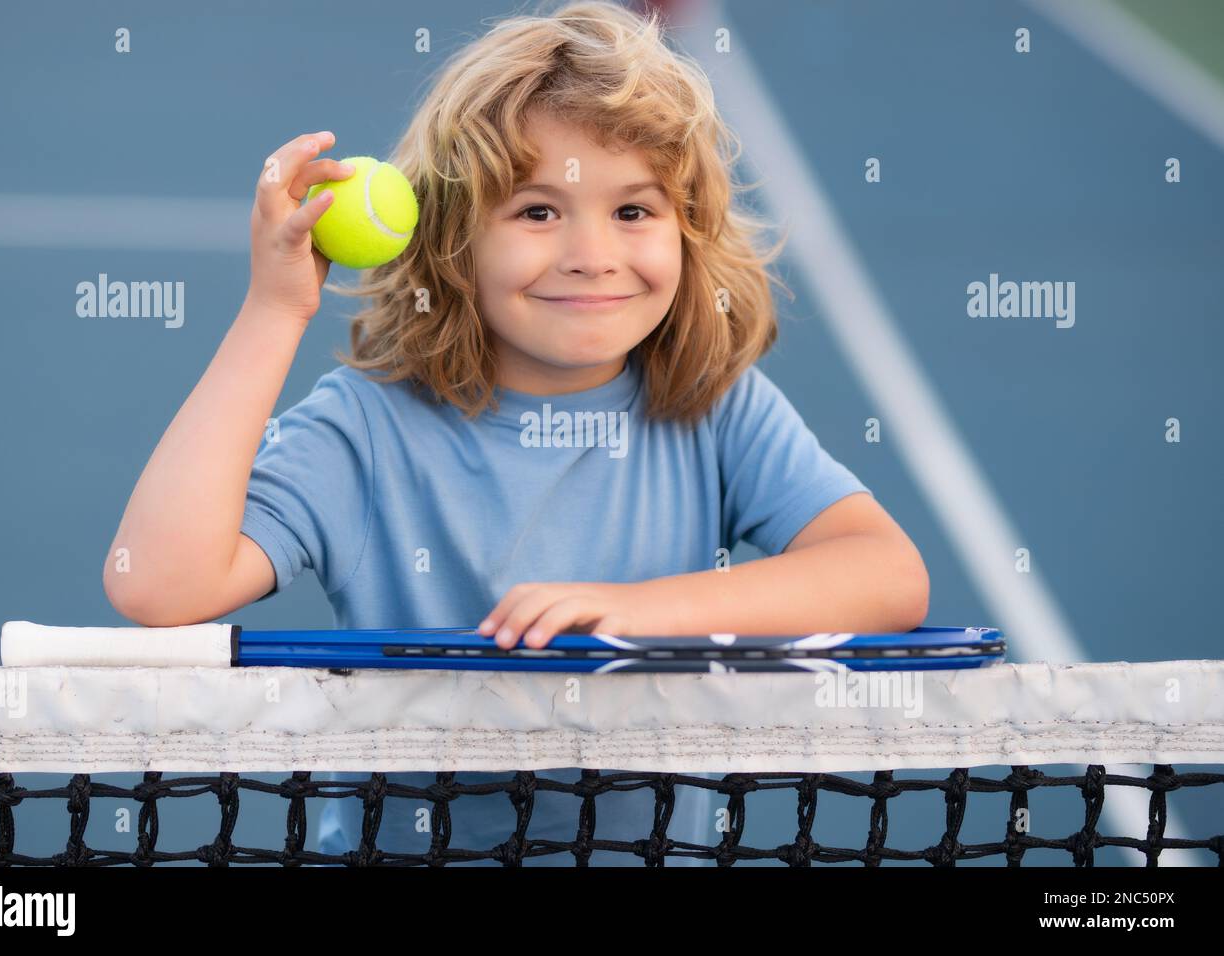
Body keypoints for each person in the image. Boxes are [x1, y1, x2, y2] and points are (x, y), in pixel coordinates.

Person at [103, 0, 928, 866]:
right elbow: (156, 586)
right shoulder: (366, 428)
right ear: (456, 241)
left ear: (686, 230)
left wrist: (639, 616)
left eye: (634, 212)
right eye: (537, 212)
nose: (591, 254)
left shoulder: (715, 406)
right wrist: (275, 308)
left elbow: (887, 573)